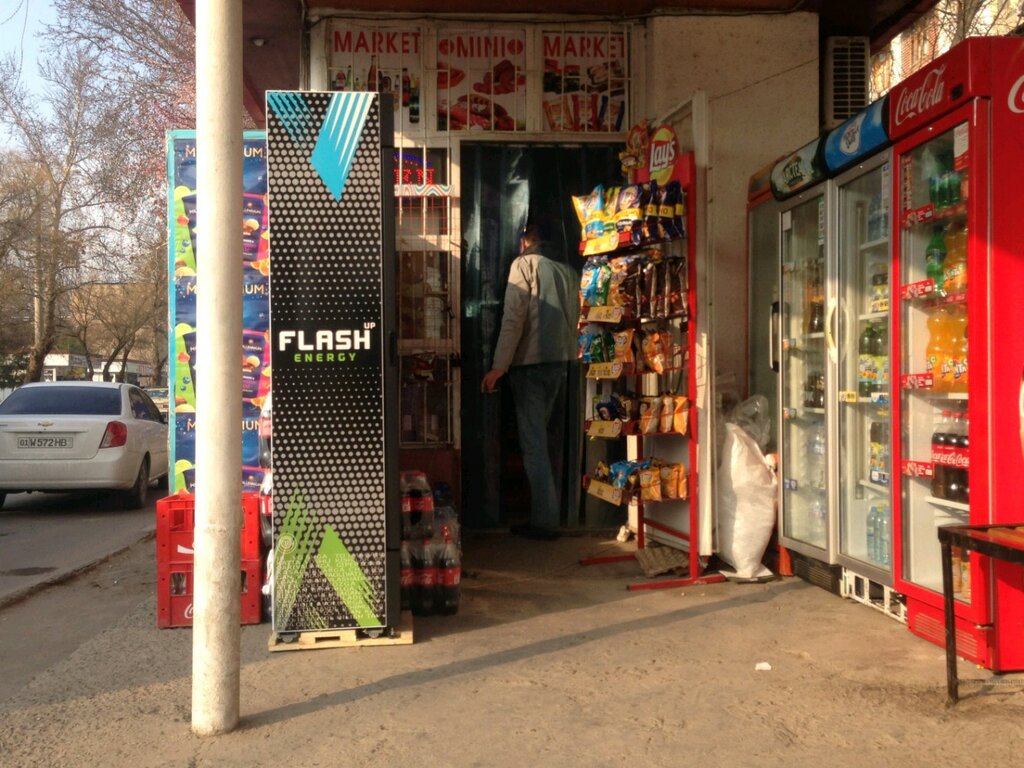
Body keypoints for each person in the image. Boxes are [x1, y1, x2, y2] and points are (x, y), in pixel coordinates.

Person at [481, 222, 578, 541]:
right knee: (546, 440)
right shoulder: (567, 271)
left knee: (533, 444)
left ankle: (544, 522)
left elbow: (513, 318)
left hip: (530, 365)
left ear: (524, 242)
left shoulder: (524, 265)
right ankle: (551, 513)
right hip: (561, 363)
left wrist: (499, 366)